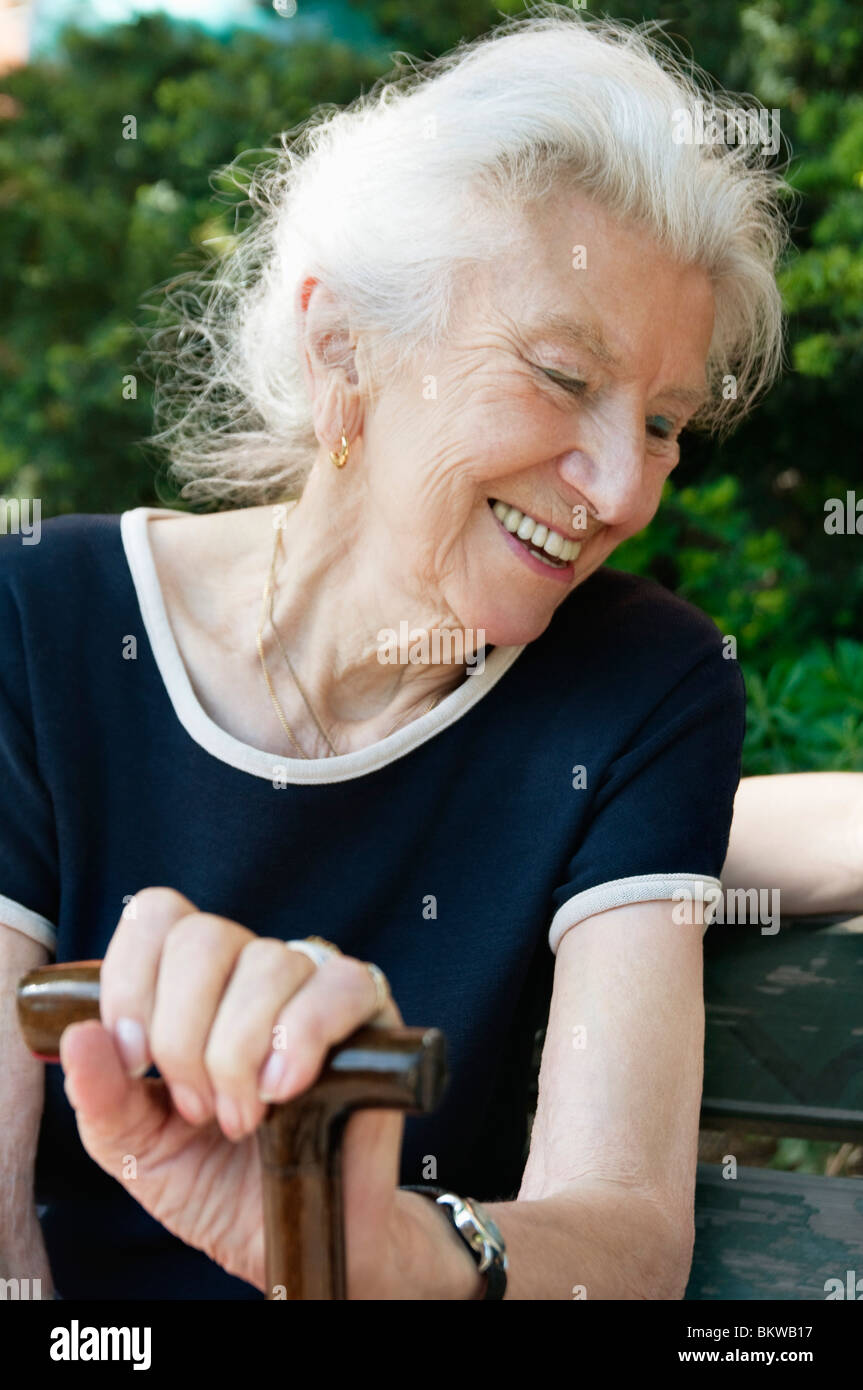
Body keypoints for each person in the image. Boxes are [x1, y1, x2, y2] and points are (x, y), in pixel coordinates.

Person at [1, 10, 850, 1302]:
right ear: (344, 343)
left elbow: (621, 1235)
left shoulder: (639, 686)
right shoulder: (37, 620)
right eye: (564, 376)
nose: (624, 489)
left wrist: (392, 1249)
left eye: (668, 422)